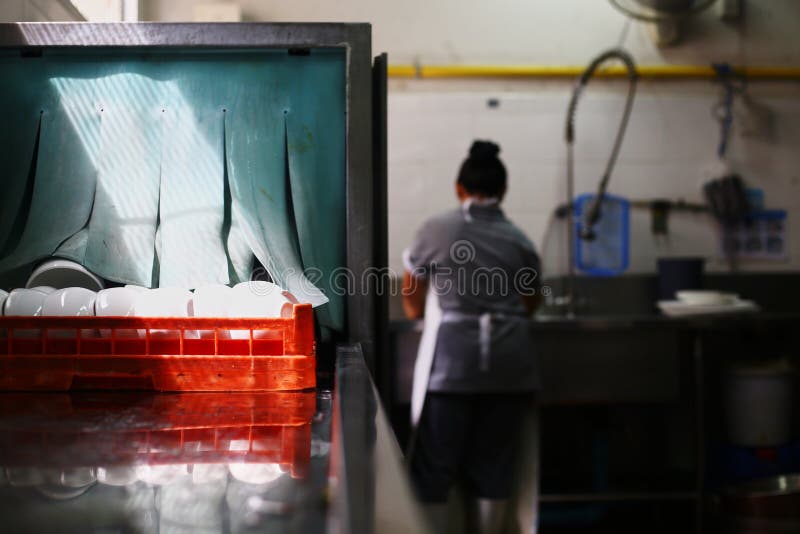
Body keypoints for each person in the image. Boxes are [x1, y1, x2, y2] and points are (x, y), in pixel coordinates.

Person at [403, 140, 542, 534]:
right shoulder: (520, 239)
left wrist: (417, 314)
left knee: (436, 466)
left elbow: (412, 283)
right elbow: (531, 299)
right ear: (504, 192)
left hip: (452, 367)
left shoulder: (437, 229)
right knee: (495, 467)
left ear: (459, 188)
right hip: (509, 366)